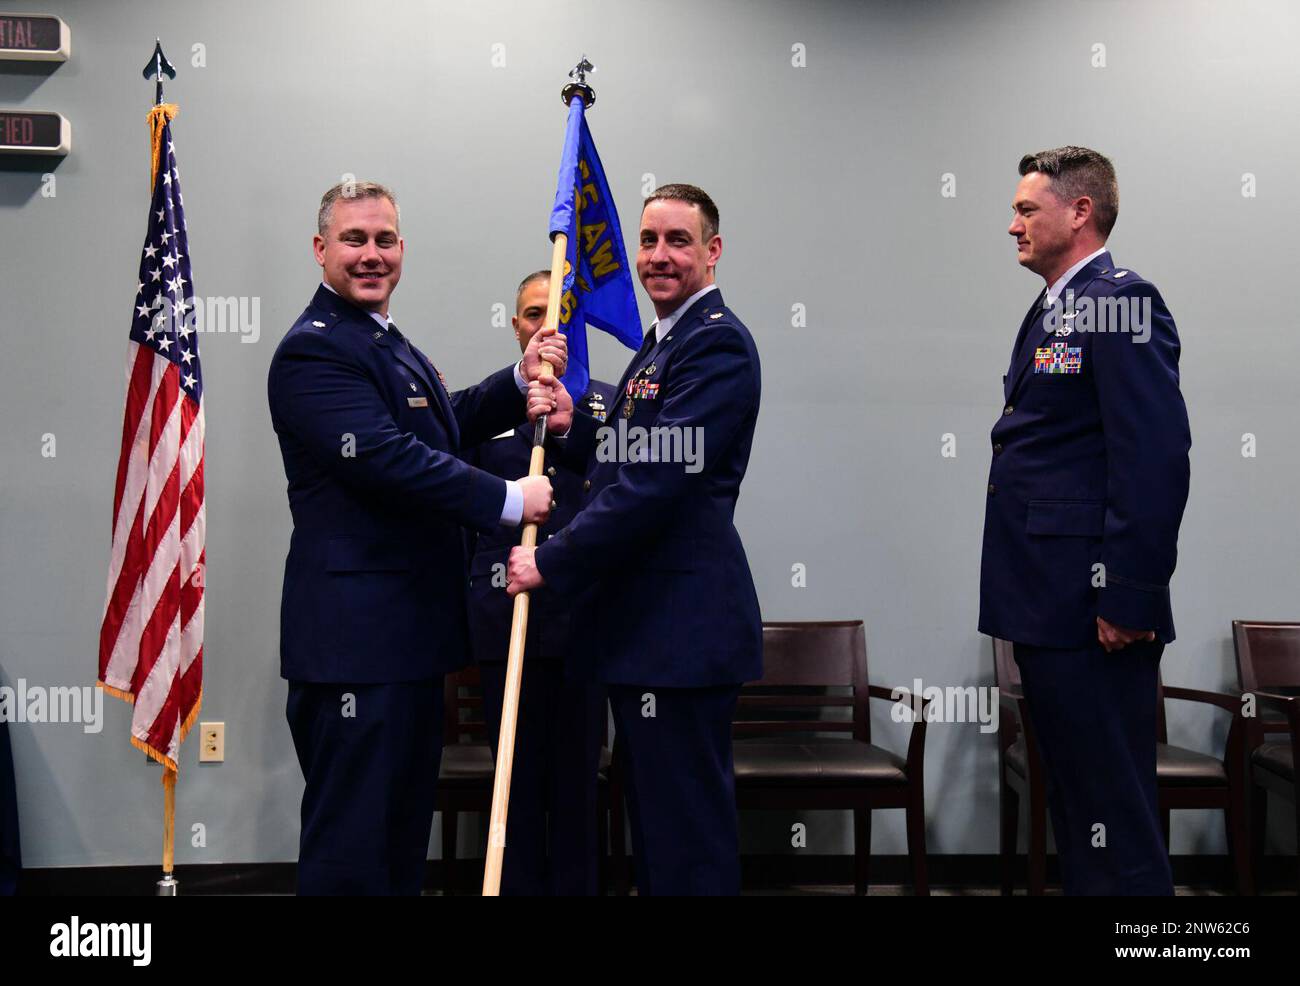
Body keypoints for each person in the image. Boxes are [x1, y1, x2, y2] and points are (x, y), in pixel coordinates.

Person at [267, 180, 568, 895]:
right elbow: (385, 458)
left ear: (402, 248)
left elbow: (438, 424)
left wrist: (514, 379)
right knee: (353, 855)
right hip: (355, 653)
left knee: (399, 847)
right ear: (320, 250)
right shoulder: (314, 354)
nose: (372, 255)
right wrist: (506, 498)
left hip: (405, 644)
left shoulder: (383, 342)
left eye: (384, 240)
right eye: (354, 240)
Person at [506, 184, 762, 895]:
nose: (658, 256)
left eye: (678, 241)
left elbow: (653, 485)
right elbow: (631, 453)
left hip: (681, 635)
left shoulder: (716, 345)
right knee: (658, 838)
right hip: (646, 634)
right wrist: (571, 425)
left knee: (686, 846)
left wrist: (550, 562)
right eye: (648, 241)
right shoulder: (664, 344)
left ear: (713, 251)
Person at [980, 147, 1191, 895]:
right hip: (1049, 602)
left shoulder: (1119, 301)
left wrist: (1129, 595)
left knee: (1114, 814)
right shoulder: (1057, 306)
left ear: (1079, 211)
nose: (1012, 225)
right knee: (1080, 813)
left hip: (1092, 607)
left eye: (1025, 209)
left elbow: (1156, 457)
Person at [463, 270, 615, 896]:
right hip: (506, 623)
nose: (546, 325)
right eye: (532, 314)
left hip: (583, 623)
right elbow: (462, 508)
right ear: (516, 324)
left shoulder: (610, 406)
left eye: (558, 316)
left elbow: (628, 492)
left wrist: (569, 429)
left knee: (579, 781)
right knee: (514, 782)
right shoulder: (490, 410)